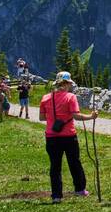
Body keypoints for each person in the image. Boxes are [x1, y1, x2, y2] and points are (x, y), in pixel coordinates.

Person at [38, 72, 96, 203]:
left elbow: (42, 118)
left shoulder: (46, 98)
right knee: (74, 162)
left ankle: (56, 196)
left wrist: (54, 118)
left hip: (51, 137)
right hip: (69, 136)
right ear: (65, 84)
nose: (70, 85)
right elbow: (76, 116)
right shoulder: (71, 97)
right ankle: (80, 189)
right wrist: (91, 116)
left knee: (55, 166)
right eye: (69, 83)